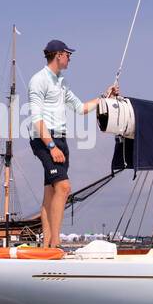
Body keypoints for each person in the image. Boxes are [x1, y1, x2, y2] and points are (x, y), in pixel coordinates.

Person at [29, 39, 116, 249]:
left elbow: (81, 108)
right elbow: (36, 119)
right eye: (69, 55)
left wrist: (105, 98)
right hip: (45, 140)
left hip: (61, 138)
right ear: (59, 54)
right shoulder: (38, 80)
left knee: (51, 192)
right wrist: (52, 147)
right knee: (64, 187)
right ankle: (56, 243)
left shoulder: (62, 82)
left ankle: (46, 247)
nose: (70, 58)